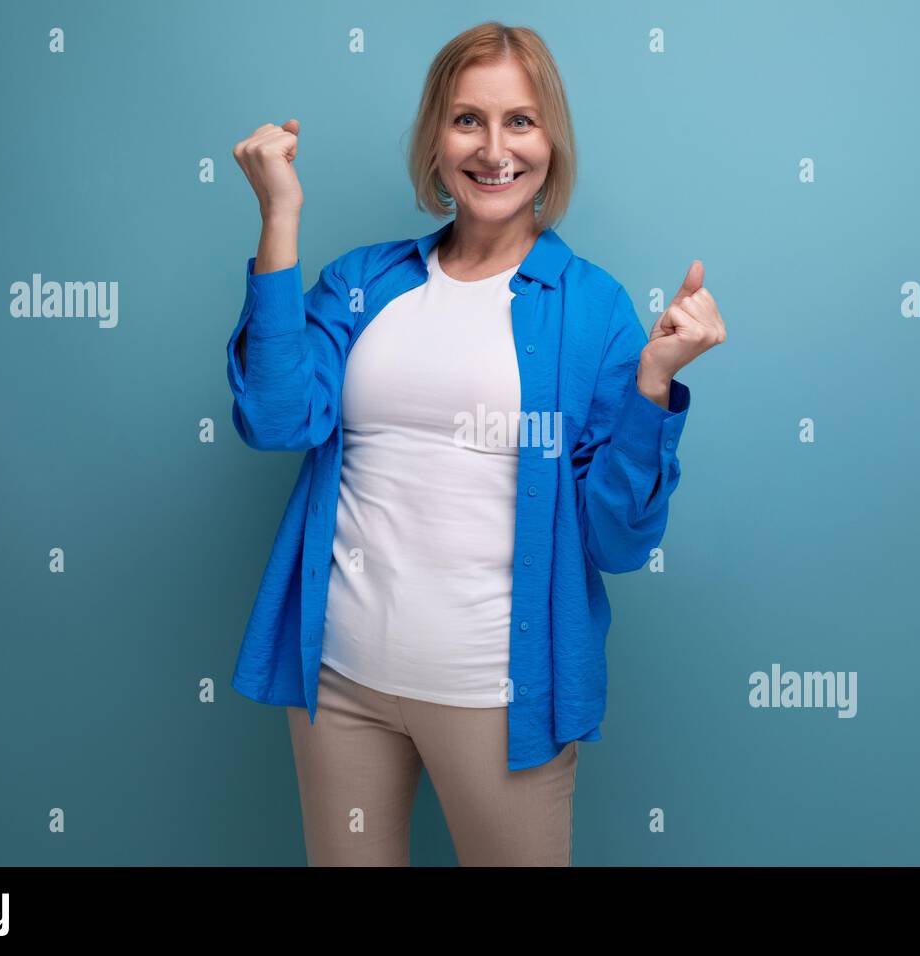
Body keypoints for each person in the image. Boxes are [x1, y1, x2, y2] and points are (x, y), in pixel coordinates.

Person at [226, 21, 726, 866]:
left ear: (551, 143)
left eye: (520, 121)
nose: (494, 149)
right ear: (434, 141)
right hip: (340, 683)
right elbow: (275, 419)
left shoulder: (592, 308)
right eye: (467, 120)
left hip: (497, 699)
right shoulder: (362, 284)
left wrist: (653, 387)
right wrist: (280, 216)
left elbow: (616, 541)